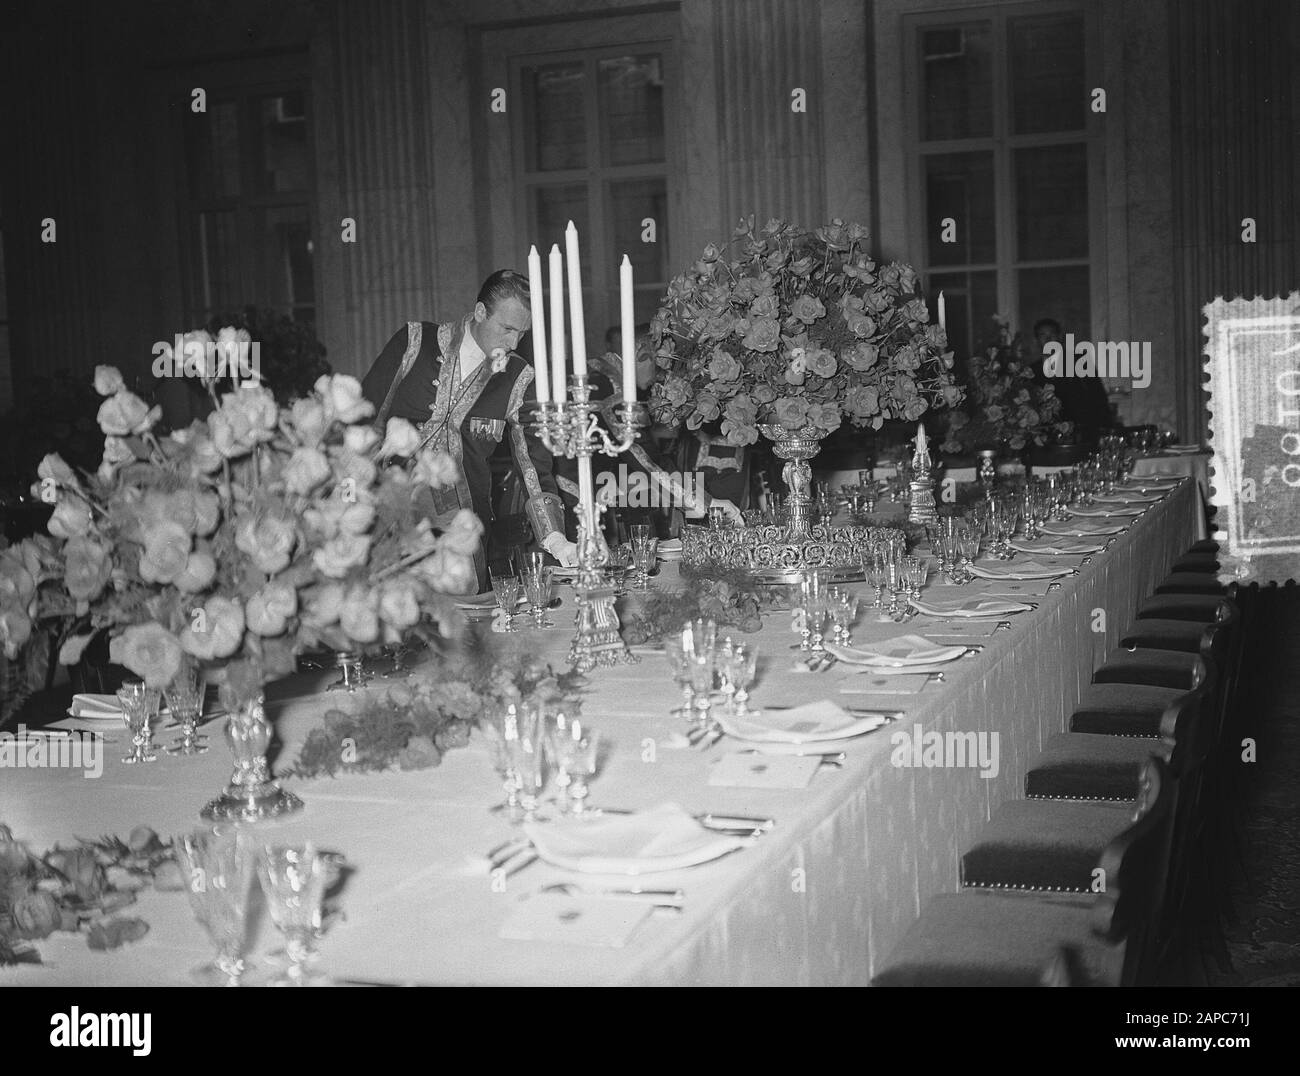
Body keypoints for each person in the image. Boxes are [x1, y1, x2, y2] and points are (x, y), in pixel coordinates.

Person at [360, 270, 577, 590]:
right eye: (506, 329)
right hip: (388, 513)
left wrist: (554, 537)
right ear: (479, 313)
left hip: (464, 526)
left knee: (463, 625)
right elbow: (366, 417)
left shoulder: (517, 376)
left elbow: (532, 461)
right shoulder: (415, 341)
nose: (513, 342)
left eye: (522, 333)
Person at [1033, 318, 1114, 438]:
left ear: (1060, 337)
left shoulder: (1080, 362)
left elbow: (1099, 399)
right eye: (1043, 335)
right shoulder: (1032, 371)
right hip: (1049, 438)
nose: (1048, 339)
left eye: (1052, 334)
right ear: (1036, 341)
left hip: (1083, 434)